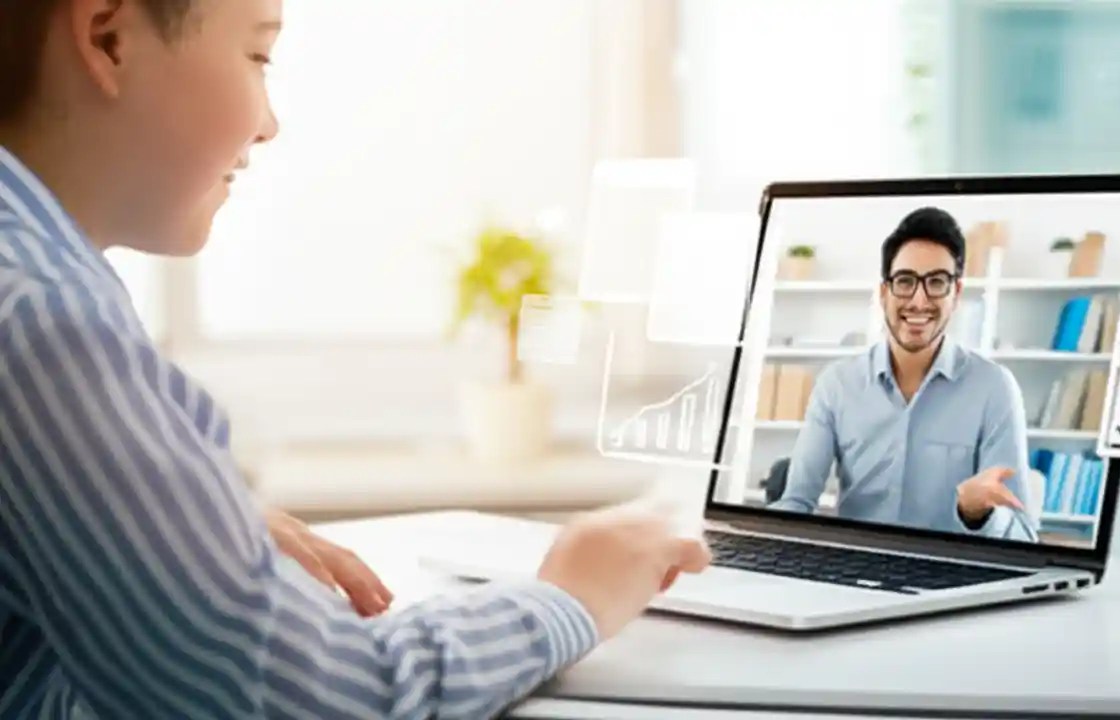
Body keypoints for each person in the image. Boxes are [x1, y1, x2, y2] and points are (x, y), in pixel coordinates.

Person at [0, 1, 711, 718]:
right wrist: (570, 597)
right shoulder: (44, 324)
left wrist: (175, 542)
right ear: (107, 37)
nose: (268, 124)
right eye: (257, 55)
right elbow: (328, 701)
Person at [769, 206, 1038, 542]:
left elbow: (1025, 537)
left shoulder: (994, 388)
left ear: (955, 294)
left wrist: (978, 514)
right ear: (884, 293)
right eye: (905, 281)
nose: (919, 300)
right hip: (854, 569)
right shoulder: (837, 384)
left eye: (937, 282)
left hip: (951, 574)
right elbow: (797, 501)